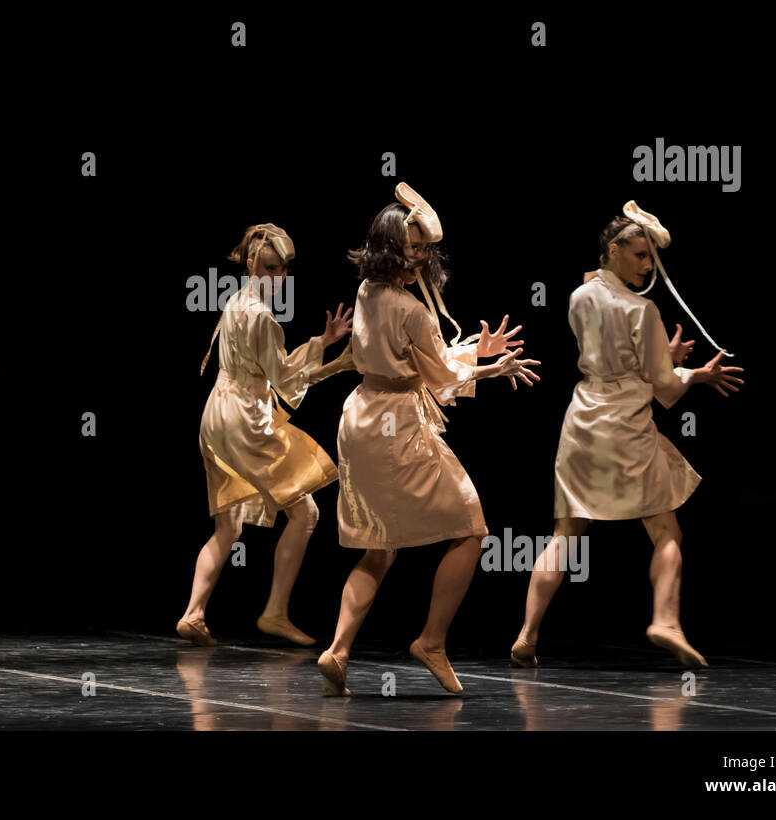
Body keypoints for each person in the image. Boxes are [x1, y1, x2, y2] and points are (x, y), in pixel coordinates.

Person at [316, 184, 540, 695]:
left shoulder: (368, 292)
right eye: (410, 248)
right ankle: (432, 641)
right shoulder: (410, 307)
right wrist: (488, 367)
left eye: (422, 248)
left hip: (361, 418)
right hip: (396, 425)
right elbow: (436, 378)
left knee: (379, 548)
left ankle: (338, 650)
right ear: (389, 247)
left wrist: (471, 351)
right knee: (470, 526)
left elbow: (416, 361)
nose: (418, 257)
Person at [511, 201, 744, 670]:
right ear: (612, 250)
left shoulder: (579, 296)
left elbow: (615, 345)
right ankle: (665, 620)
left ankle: (527, 635)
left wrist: (661, 355)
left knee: (565, 533)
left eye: (650, 258)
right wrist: (693, 373)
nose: (647, 266)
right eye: (639, 256)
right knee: (666, 530)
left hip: (582, 421)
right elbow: (663, 385)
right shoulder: (643, 310)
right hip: (625, 425)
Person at [177, 223, 352, 647]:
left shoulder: (237, 302)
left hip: (215, 415)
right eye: (272, 268)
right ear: (252, 265)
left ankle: (193, 614)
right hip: (244, 422)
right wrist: (338, 364)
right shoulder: (261, 316)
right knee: (307, 513)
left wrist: (321, 341)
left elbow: (270, 367)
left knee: (228, 527)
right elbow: (285, 380)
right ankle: (274, 611)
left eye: (284, 269)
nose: (279, 278)